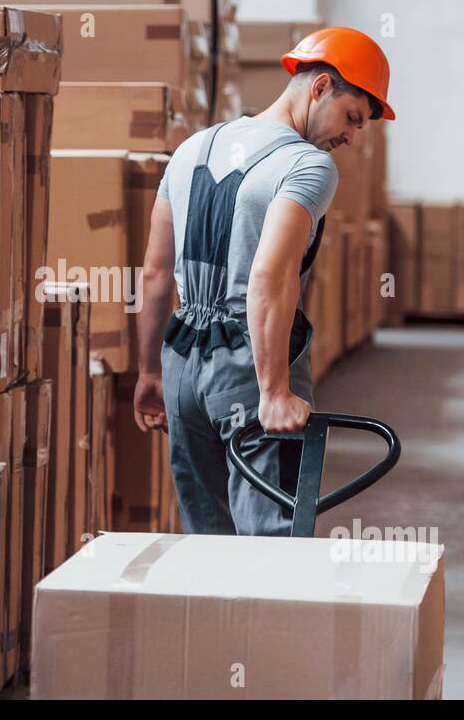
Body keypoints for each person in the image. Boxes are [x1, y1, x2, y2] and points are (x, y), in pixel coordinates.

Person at [131, 27, 396, 536]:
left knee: (207, 542)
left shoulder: (191, 148)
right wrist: (274, 390)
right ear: (319, 88)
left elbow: (155, 273)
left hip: (183, 362)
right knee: (270, 550)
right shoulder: (307, 165)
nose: (351, 136)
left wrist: (149, 374)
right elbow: (270, 276)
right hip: (248, 367)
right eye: (352, 118)